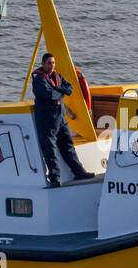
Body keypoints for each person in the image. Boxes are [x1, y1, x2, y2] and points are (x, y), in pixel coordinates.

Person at [31, 53, 94, 187]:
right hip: (47, 119)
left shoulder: (57, 76)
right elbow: (49, 94)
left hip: (60, 117)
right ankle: (55, 178)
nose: (52, 65)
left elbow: (69, 88)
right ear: (43, 64)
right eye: (49, 63)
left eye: (53, 63)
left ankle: (79, 172)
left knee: (68, 145)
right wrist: (61, 91)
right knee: (50, 149)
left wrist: (60, 90)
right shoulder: (39, 79)